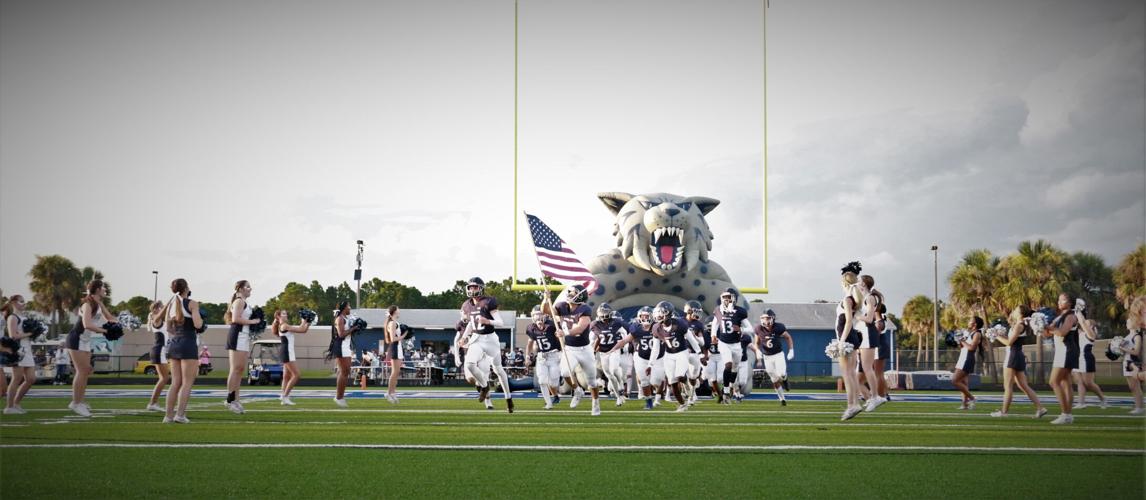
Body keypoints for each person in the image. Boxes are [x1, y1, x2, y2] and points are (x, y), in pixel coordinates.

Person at [459, 277, 514, 413]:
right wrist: (464, 337)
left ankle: (508, 399)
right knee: (470, 364)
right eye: (470, 287)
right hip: (477, 339)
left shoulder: (489, 301)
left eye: (475, 287)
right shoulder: (467, 305)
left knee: (498, 370)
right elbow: (472, 323)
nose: (472, 290)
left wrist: (487, 321)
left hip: (490, 340)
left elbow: (501, 322)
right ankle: (485, 386)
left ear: (481, 288)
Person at [66, 279, 117, 417]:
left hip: (85, 340)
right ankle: (75, 403)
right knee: (81, 371)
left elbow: (111, 318)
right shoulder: (87, 305)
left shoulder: (98, 304)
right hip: (76, 339)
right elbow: (87, 324)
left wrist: (123, 323)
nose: (105, 289)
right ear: (97, 289)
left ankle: (80, 401)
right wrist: (106, 331)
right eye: (103, 287)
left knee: (86, 370)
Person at [551, 284, 601, 416]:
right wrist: (546, 298)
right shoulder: (562, 306)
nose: (570, 294)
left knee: (591, 381)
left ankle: (595, 403)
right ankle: (577, 390)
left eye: (573, 292)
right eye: (571, 292)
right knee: (565, 372)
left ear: (580, 296)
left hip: (585, 349)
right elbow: (547, 311)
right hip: (570, 349)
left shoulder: (585, 309)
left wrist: (565, 333)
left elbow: (580, 328)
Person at [990, 306, 1047, 418]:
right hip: (1018, 355)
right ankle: (1041, 408)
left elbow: (1009, 342)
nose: (1014, 311)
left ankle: (1004, 412)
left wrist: (996, 336)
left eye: (1016, 309)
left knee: (1008, 386)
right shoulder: (1021, 325)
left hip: (1013, 356)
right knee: (1023, 386)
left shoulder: (1019, 325)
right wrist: (999, 334)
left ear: (1021, 313)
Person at [163, 278, 204, 423]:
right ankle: (180, 415)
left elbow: (169, 329)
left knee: (175, 382)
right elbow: (198, 324)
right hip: (188, 343)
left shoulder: (171, 305)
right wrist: (201, 319)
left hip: (174, 344)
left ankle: (168, 416)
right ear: (186, 288)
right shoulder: (192, 303)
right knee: (187, 382)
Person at [609, 306, 663, 410]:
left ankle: (658, 396)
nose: (644, 318)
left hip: (658, 358)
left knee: (656, 381)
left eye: (647, 316)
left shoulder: (658, 327)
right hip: (641, 357)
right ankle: (648, 402)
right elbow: (625, 340)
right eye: (642, 316)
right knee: (644, 381)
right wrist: (613, 349)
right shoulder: (636, 328)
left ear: (652, 316)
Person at [651, 301, 699, 412]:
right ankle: (682, 404)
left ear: (668, 313)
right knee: (672, 381)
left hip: (682, 352)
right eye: (658, 312)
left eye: (661, 312)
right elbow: (655, 348)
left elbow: (691, 339)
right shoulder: (656, 327)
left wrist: (699, 353)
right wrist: (650, 363)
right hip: (668, 355)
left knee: (680, 376)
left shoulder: (680, 324)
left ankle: (686, 383)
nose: (658, 315)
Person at [1044, 293, 1081, 425]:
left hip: (1067, 350)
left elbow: (1062, 332)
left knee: (1053, 382)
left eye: (1063, 300)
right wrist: (1040, 325)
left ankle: (1065, 414)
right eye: (1058, 299)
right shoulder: (1059, 316)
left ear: (1070, 302)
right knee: (1065, 383)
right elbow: (1047, 334)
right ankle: (1068, 415)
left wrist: (1049, 327)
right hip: (1061, 351)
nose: (1059, 302)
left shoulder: (1071, 316)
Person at [711, 287, 751, 404]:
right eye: (725, 297)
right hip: (723, 343)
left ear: (734, 298)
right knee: (728, 365)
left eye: (729, 297)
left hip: (736, 344)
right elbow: (715, 324)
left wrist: (741, 329)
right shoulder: (718, 310)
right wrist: (713, 335)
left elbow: (750, 328)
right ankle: (726, 391)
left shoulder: (740, 311)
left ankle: (729, 388)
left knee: (734, 369)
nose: (727, 299)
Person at [223, 280, 258, 414]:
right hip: (237, 335)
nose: (250, 288)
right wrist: (253, 321)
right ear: (241, 289)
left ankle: (236, 399)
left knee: (240, 369)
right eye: (248, 286)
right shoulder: (239, 301)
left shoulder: (244, 302)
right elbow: (235, 319)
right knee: (235, 369)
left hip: (243, 336)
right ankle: (229, 399)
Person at [836, 263, 864, 421]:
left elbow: (847, 322)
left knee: (847, 374)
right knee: (851, 374)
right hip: (852, 337)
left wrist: (841, 341)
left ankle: (851, 405)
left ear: (844, 281)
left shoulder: (848, 299)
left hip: (847, 337)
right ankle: (854, 403)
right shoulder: (855, 299)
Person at [855, 275, 887, 411]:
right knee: (857, 379)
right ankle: (870, 398)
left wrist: (856, 315)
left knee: (868, 368)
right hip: (864, 336)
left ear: (864, 284)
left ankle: (876, 397)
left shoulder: (870, 298)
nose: (857, 283)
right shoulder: (865, 298)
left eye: (859, 281)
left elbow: (869, 319)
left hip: (869, 334)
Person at [3, 295, 36, 414]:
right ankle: (9, 407)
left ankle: (16, 403)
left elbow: (26, 334)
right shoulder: (13, 317)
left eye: (24, 301)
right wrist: (30, 333)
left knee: (31, 379)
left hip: (27, 349)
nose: (24, 303)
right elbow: (13, 336)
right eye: (21, 301)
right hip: (18, 350)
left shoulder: (24, 317)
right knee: (17, 378)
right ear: (14, 303)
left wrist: (36, 334)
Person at [755, 309, 795, 406]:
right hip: (767, 357)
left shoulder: (778, 327)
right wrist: (757, 351)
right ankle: (782, 399)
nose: (766, 320)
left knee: (781, 374)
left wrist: (791, 350)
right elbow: (756, 343)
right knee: (774, 380)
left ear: (773, 318)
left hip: (778, 355)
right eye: (764, 318)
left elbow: (788, 337)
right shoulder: (758, 328)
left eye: (768, 318)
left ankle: (785, 379)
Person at [591, 303, 629, 407]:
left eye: (605, 313)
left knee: (613, 370)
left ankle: (621, 383)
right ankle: (618, 397)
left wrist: (624, 345)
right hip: (603, 353)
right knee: (609, 376)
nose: (603, 315)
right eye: (601, 313)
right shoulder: (595, 324)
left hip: (614, 350)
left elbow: (625, 333)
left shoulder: (616, 322)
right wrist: (592, 351)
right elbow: (593, 339)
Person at [526, 305, 561, 409]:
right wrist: (527, 356)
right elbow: (530, 343)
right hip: (542, 356)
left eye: (539, 315)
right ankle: (548, 403)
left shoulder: (552, 325)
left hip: (554, 355)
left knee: (553, 382)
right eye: (535, 315)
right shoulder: (531, 327)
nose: (537, 318)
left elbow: (561, 337)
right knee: (542, 381)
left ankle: (555, 395)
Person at [273, 309, 311, 406]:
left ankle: (283, 396)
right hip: (287, 353)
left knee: (286, 376)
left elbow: (303, 329)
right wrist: (305, 320)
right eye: (283, 314)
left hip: (288, 352)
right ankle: (285, 397)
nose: (286, 315)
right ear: (278, 316)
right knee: (297, 375)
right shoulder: (284, 325)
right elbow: (302, 330)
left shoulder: (284, 325)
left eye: (286, 313)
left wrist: (307, 321)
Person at [1073, 317, 1107, 409]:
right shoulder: (1081, 333)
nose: (1083, 324)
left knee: (1088, 383)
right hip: (1076, 359)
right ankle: (1081, 403)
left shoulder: (1091, 334)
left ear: (1091, 326)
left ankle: (1103, 399)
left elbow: (1082, 324)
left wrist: (1080, 315)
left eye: (1086, 323)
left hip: (1086, 359)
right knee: (1079, 382)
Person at [329, 301, 358, 408]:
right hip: (340, 346)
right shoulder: (340, 318)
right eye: (348, 306)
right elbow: (341, 334)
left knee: (346, 371)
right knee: (344, 372)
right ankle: (338, 397)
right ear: (344, 308)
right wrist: (353, 328)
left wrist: (356, 328)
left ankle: (340, 396)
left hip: (346, 346)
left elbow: (347, 333)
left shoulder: (345, 318)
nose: (350, 308)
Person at [952, 317, 982, 411]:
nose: (968, 322)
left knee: (955, 381)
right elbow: (963, 347)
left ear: (975, 324)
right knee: (964, 382)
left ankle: (972, 398)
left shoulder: (977, 334)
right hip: (962, 358)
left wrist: (961, 340)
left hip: (967, 360)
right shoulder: (969, 333)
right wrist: (959, 340)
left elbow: (972, 348)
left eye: (970, 321)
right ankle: (965, 405)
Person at [145, 300, 170, 412]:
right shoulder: (156, 319)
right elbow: (161, 313)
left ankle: (153, 403)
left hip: (161, 350)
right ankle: (152, 403)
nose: (162, 308)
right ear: (155, 309)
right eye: (160, 307)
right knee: (164, 378)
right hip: (159, 350)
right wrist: (168, 304)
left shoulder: (160, 320)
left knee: (164, 378)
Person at [1122, 296, 1145, 415]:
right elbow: (1123, 351)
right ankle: (1137, 406)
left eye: (1129, 320)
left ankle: (1140, 407)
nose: (1127, 322)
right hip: (1127, 362)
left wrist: (1123, 348)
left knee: (1136, 386)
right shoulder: (1126, 337)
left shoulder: (1137, 336)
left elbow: (1136, 352)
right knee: (1132, 386)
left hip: (1133, 362)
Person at [683, 301, 708, 406]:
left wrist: (695, 336)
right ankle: (688, 393)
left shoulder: (698, 324)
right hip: (682, 351)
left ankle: (692, 394)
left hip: (694, 353)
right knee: (681, 373)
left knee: (693, 376)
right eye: (695, 311)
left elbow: (702, 342)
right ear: (688, 310)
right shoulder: (680, 322)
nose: (697, 314)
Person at [383, 305, 408, 404]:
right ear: (394, 312)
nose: (399, 311)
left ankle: (392, 392)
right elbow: (393, 339)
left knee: (397, 372)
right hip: (395, 347)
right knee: (394, 372)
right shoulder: (392, 323)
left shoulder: (395, 322)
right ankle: (389, 393)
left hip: (399, 347)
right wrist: (404, 335)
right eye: (398, 309)